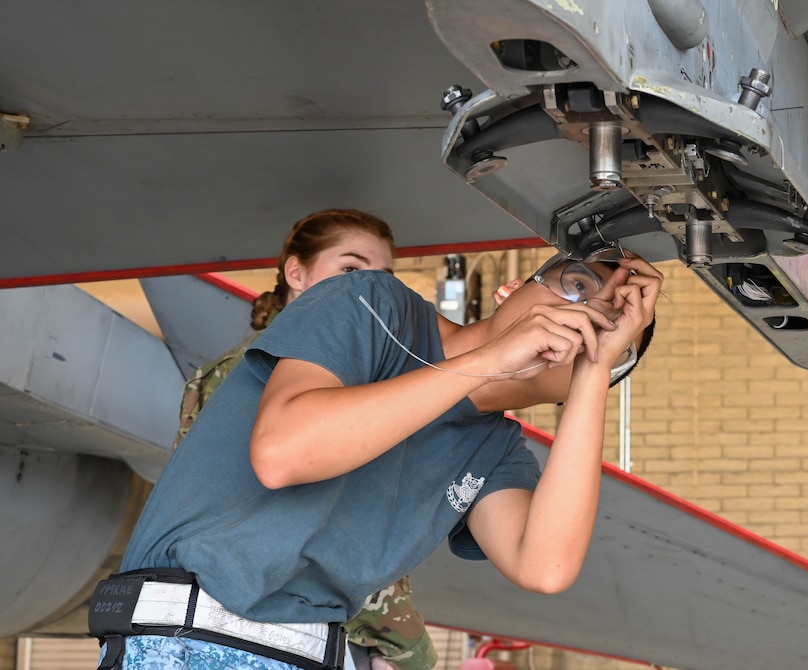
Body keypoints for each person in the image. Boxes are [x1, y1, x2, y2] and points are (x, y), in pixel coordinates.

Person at [90, 229, 661, 670]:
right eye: (577, 286)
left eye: (611, 336)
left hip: (314, 649)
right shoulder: (373, 304)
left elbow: (546, 567)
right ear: (512, 290)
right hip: (188, 636)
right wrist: (489, 361)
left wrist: (590, 374)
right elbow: (284, 452)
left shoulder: (496, 451)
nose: (586, 316)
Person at [174, 208, 439, 670]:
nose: (371, 290)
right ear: (296, 273)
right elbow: (319, 525)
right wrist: (399, 645)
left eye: (384, 278)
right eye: (351, 269)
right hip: (286, 633)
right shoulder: (282, 380)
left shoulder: (243, 371)